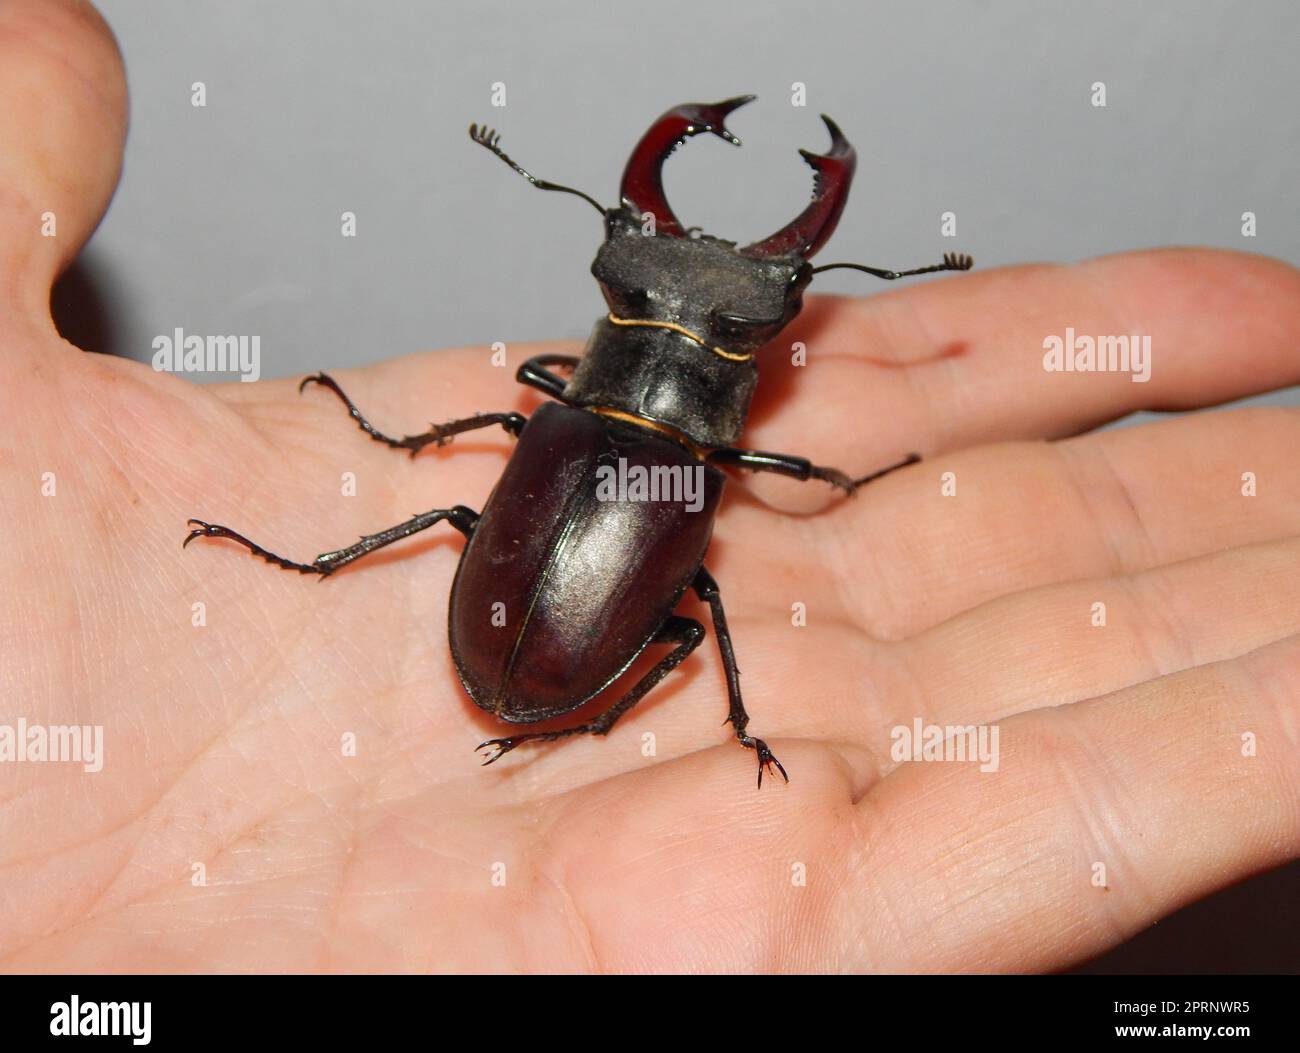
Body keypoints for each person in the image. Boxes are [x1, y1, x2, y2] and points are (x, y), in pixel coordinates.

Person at [1, 0, 1297, 973]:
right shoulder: (669, 456)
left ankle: (547, 661)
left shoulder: (555, 406)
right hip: (553, 654)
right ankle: (654, 704)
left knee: (504, 517)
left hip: (541, 647)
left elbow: (524, 446)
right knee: (698, 610)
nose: (688, 303)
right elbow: (701, 597)